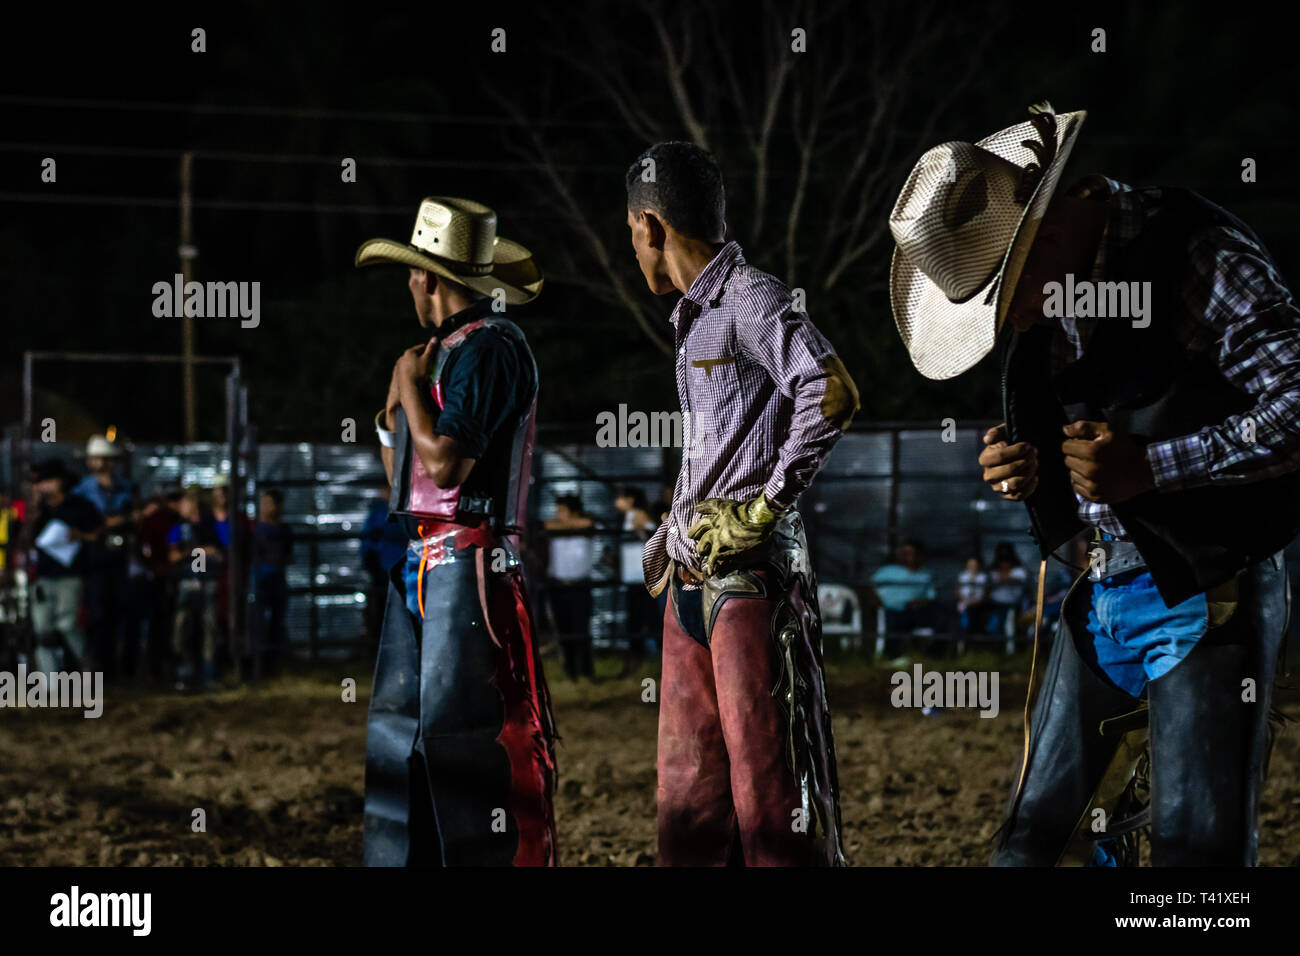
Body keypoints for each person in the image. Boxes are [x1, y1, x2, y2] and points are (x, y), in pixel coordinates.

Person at [888, 102, 1299, 865]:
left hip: (1206, 587)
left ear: (1043, 239)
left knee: (1193, 855)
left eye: (1008, 293)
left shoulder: (1198, 254)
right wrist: (1023, 467)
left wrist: (1151, 466)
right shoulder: (1060, 284)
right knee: (1032, 846)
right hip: (1100, 589)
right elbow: (1075, 415)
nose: (1011, 323)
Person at [626, 141, 859, 866]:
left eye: (631, 232)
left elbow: (832, 391)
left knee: (770, 799)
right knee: (690, 807)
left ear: (653, 227)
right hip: (701, 582)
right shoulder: (699, 316)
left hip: (750, 578)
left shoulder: (750, 296)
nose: (632, 248)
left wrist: (762, 509)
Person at [357, 196, 557, 866]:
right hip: (429, 559)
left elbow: (444, 466)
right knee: (404, 737)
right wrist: (396, 414)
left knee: (463, 737)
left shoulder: (489, 348)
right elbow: (405, 479)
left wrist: (406, 389)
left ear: (428, 279)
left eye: (413, 275)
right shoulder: (446, 351)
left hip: (468, 561)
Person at [27, 459, 102, 672]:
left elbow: (98, 532)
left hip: (71, 573)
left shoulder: (80, 506)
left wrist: (81, 535)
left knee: (67, 623)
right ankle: (50, 683)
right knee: (43, 629)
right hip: (43, 575)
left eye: (48, 480)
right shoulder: (37, 510)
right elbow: (25, 540)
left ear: (61, 481)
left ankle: (88, 668)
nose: (44, 486)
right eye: (41, 482)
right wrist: (32, 516)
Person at [74, 435, 133, 680]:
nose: (96, 462)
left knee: (116, 610)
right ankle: (95, 667)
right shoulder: (83, 489)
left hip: (117, 556)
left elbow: (130, 516)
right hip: (94, 556)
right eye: (94, 458)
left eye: (101, 458)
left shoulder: (124, 487)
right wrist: (109, 523)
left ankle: (111, 668)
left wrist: (118, 521)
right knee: (96, 611)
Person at [168, 487, 224, 691]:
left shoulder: (211, 527)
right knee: (184, 631)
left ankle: (208, 676)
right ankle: (186, 675)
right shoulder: (179, 529)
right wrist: (196, 551)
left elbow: (221, 551)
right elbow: (173, 556)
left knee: (209, 629)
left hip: (207, 584)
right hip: (187, 584)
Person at [543, 495, 596, 680]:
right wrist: (569, 525)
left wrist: (568, 525)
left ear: (574, 512)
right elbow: (548, 525)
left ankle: (586, 671)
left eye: (562, 511)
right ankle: (571, 671)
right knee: (564, 629)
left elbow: (588, 524)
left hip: (579, 584)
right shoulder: (556, 527)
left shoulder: (587, 526)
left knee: (581, 629)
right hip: (558, 584)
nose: (558, 515)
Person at [614, 485, 659, 672]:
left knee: (649, 620)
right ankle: (638, 662)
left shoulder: (639, 515)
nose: (617, 502)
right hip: (632, 577)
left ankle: (653, 661)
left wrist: (641, 529)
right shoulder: (626, 518)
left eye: (621, 497)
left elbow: (652, 535)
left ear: (630, 499)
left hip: (642, 577)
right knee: (637, 621)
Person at [360, 479, 406, 658]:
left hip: (397, 567)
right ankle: (380, 650)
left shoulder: (396, 510)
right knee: (379, 609)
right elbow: (368, 538)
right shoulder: (380, 512)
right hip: (385, 568)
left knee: (392, 607)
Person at [251, 489, 294, 677]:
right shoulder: (255, 529)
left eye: (271, 503)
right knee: (259, 624)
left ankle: (272, 666)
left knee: (276, 624)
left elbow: (289, 556)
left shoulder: (283, 530)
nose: (268, 507)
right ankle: (259, 666)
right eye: (265, 503)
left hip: (277, 582)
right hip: (260, 582)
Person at [870, 539, 941, 637]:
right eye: (904, 553)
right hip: (889, 609)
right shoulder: (888, 570)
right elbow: (868, 587)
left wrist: (921, 601)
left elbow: (931, 596)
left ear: (919, 555)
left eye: (910, 553)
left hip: (915, 610)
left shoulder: (926, 574)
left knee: (938, 614)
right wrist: (876, 601)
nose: (905, 556)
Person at [985, 542, 1029, 638]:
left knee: (1015, 627)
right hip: (998, 603)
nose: (1005, 564)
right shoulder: (993, 571)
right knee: (995, 626)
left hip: (1015, 603)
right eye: (1002, 562)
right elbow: (993, 579)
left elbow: (1020, 577)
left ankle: (1016, 648)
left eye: (1007, 561)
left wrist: (1008, 577)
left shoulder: (1019, 570)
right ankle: (997, 646)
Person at [956, 555, 989, 634]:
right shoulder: (962, 576)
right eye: (970, 565)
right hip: (965, 603)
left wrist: (975, 602)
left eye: (974, 565)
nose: (972, 567)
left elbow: (984, 594)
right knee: (963, 612)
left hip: (978, 604)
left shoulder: (983, 577)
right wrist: (965, 601)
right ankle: (962, 639)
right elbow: (958, 591)